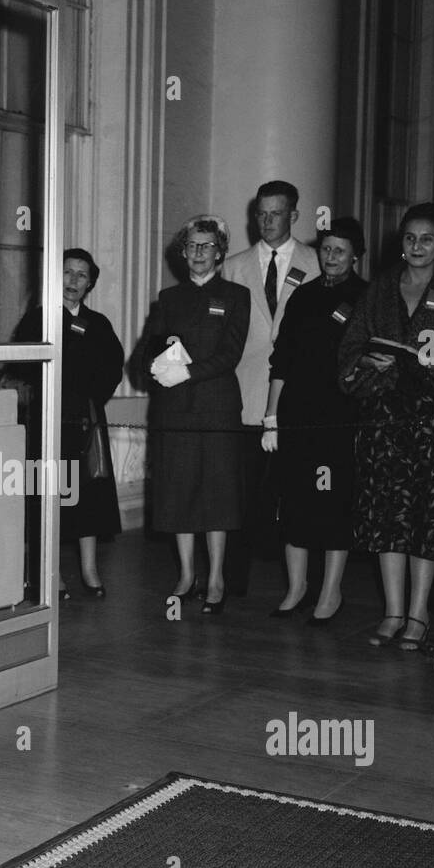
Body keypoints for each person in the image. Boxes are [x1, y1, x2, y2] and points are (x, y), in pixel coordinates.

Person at [337, 202, 434, 650]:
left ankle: (418, 615)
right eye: (410, 238)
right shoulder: (378, 290)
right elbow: (351, 345)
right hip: (383, 420)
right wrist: (366, 359)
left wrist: (427, 363)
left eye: (427, 239)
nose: (417, 246)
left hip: (432, 422)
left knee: (426, 518)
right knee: (387, 516)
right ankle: (393, 611)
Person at [262, 217, 368, 624]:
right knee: (295, 501)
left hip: (341, 414)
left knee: (333, 503)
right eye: (326, 249)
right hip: (297, 412)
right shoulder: (303, 296)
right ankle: (297, 587)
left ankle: (331, 590)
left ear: (355, 255)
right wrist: (271, 415)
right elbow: (282, 357)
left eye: (340, 250)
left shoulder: (366, 295)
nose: (331, 257)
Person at [146, 214, 249, 613]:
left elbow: (231, 354)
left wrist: (186, 370)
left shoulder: (236, 295)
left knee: (217, 494)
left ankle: (217, 577)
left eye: (206, 246)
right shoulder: (169, 298)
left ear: (220, 251)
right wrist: (157, 362)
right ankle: (187, 575)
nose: (198, 253)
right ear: (183, 252)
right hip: (175, 411)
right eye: (191, 246)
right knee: (179, 491)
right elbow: (148, 350)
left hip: (219, 408)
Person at [222, 180, 320, 590]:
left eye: (276, 213)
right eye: (260, 213)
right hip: (245, 393)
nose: (266, 221)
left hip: (296, 397)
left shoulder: (317, 262)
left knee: (300, 493)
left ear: (294, 216)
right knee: (241, 492)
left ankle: (304, 586)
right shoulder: (234, 265)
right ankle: (233, 580)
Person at [12, 248, 124, 597]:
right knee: (51, 497)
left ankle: (90, 571)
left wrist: (89, 399)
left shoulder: (99, 323)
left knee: (88, 498)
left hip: (86, 420)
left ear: (90, 282)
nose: (73, 280)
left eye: (81, 274)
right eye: (67, 272)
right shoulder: (38, 319)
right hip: (47, 420)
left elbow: (112, 367)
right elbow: (21, 368)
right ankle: (52, 573)